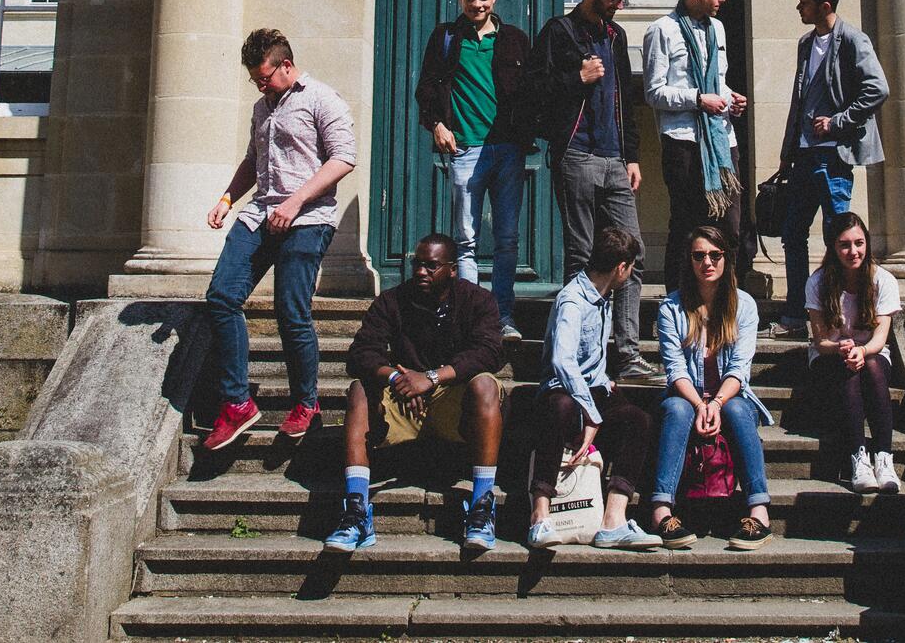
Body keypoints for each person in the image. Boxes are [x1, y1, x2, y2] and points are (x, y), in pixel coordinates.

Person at [199, 28, 358, 452]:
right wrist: (228, 198)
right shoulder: (261, 108)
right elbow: (254, 161)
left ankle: (306, 403)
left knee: (290, 310)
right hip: (260, 214)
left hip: (308, 218)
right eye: (255, 80)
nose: (260, 85)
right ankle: (237, 403)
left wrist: (294, 202)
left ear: (285, 65)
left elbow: (344, 157)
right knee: (221, 296)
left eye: (264, 77)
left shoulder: (323, 98)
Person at [325, 233, 507, 554]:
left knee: (486, 385)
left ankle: (481, 506)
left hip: (453, 402)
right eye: (417, 265)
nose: (422, 272)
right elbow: (360, 354)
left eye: (432, 266)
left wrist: (432, 378)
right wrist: (397, 376)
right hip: (406, 405)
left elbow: (489, 352)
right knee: (358, 390)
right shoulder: (392, 301)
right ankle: (356, 511)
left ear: (452, 270)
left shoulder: (478, 301)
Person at [530, 0, 649, 379]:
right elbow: (533, 94)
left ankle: (628, 353)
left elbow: (626, 102)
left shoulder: (616, 37)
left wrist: (631, 155)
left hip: (615, 159)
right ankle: (577, 353)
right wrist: (574, 79)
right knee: (582, 256)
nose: (618, 3)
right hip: (575, 156)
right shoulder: (558, 32)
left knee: (631, 253)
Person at [413, 0, 534, 341]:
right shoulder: (446, 38)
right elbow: (426, 90)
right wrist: (437, 125)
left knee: (507, 239)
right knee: (465, 240)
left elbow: (531, 92)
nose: (476, 4)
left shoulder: (515, 39)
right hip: (465, 147)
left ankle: (502, 316)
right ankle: (470, 320)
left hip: (508, 149)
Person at [524, 226, 661, 551]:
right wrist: (591, 413)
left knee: (637, 419)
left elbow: (591, 361)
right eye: (631, 269)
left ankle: (613, 521)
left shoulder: (602, 298)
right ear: (621, 268)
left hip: (591, 390)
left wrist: (602, 383)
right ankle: (540, 516)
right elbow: (562, 361)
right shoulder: (573, 300)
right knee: (562, 408)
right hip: (561, 393)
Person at [770, 0, 890, 338]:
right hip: (804, 156)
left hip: (834, 156)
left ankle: (845, 314)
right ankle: (795, 313)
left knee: (840, 238)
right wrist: (788, 150)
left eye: (803, 2)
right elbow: (799, 99)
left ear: (824, 5)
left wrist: (838, 121)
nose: (798, 8)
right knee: (792, 233)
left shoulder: (854, 39)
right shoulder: (806, 43)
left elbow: (877, 88)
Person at [646, 223, 774, 552]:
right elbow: (675, 371)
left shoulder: (744, 306)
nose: (708, 262)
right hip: (686, 397)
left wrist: (714, 404)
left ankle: (758, 511)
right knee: (676, 407)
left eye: (715, 255)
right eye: (699, 255)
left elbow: (739, 370)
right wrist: (700, 404)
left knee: (735, 408)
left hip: (727, 397)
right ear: (688, 261)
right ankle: (662, 510)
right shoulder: (671, 309)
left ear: (726, 260)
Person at [642, 0, 749, 297]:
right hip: (683, 142)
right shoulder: (662, 30)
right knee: (687, 224)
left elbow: (719, 80)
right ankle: (678, 298)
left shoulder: (717, 29)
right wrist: (698, 99)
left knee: (730, 224)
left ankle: (725, 298)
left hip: (720, 138)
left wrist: (731, 97)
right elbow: (654, 92)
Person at [801, 212, 902, 493]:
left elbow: (880, 338)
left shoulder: (883, 280)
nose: (853, 251)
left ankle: (883, 457)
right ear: (833, 248)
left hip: (871, 352)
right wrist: (841, 347)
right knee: (850, 370)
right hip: (829, 356)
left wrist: (861, 349)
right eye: (844, 245)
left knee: (869, 365)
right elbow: (820, 342)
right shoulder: (818, 282)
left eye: (859, 243)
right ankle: (859, 457)